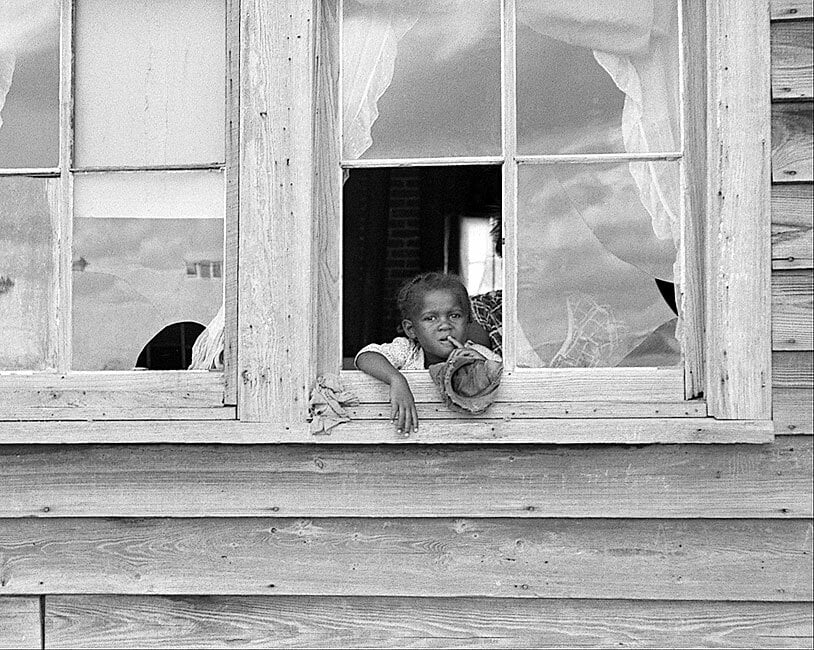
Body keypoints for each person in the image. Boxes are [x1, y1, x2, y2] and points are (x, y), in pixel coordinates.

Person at [355, 272, 500, 435]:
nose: (445, 325)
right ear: (411, 330)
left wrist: (482, 366)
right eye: (431, 318)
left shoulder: (478, 353)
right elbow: (366, 355)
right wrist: (395, 379)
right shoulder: (409, 351)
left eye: (455, 315)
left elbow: (503, 374)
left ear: (468, 323)